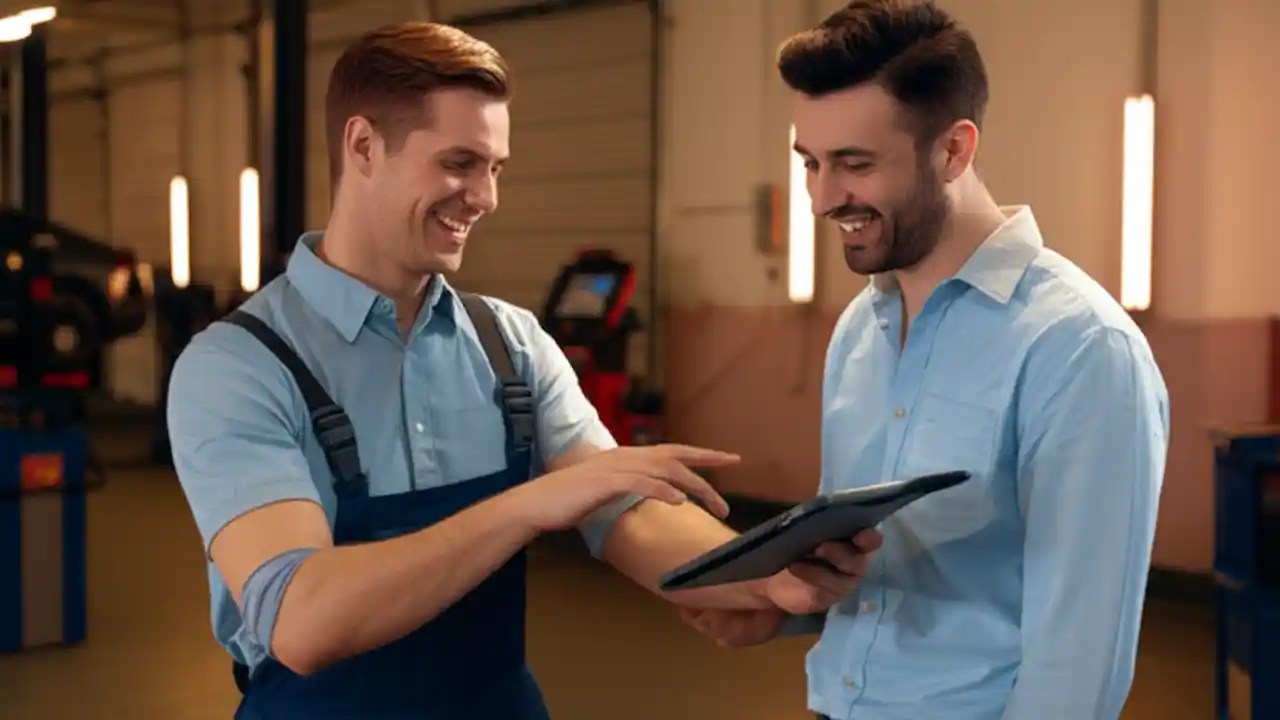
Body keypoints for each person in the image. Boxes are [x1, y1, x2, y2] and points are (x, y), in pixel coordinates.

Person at [166, 21, 882, 720]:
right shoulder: (238, 367)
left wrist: (770, 578)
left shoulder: (509, 344)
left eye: (495, 168)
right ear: (363, 146)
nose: (484, 197)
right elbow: (303, 620)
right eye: (458, 163)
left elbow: (625, 515)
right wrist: (533, 503)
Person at [677, 2, 1171, 719]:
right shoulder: (860, 330)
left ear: (954, 151)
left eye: (854, 164)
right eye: (810, 163)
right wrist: (787, 610)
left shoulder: (1080, 350)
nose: (821, 198)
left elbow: (1079, 665)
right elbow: (878, 565)